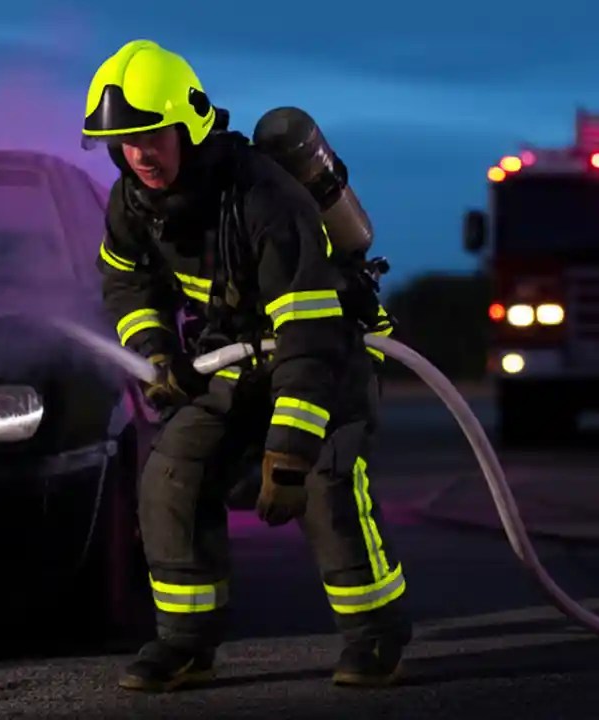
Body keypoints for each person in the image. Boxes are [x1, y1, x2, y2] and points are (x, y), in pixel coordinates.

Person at [83, 39, 411, 692]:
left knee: (326, 487)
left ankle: (376, 637)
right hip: (231, 362)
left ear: (191, 123)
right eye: (124, 142)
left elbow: (309, 334)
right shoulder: (132, 203)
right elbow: (124, 283)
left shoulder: (266, 196)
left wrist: (286, 451)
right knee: (173, 471)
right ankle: (185, 644)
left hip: (322, 360)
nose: (139, 155)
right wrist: (158, 354)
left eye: (152, 135)